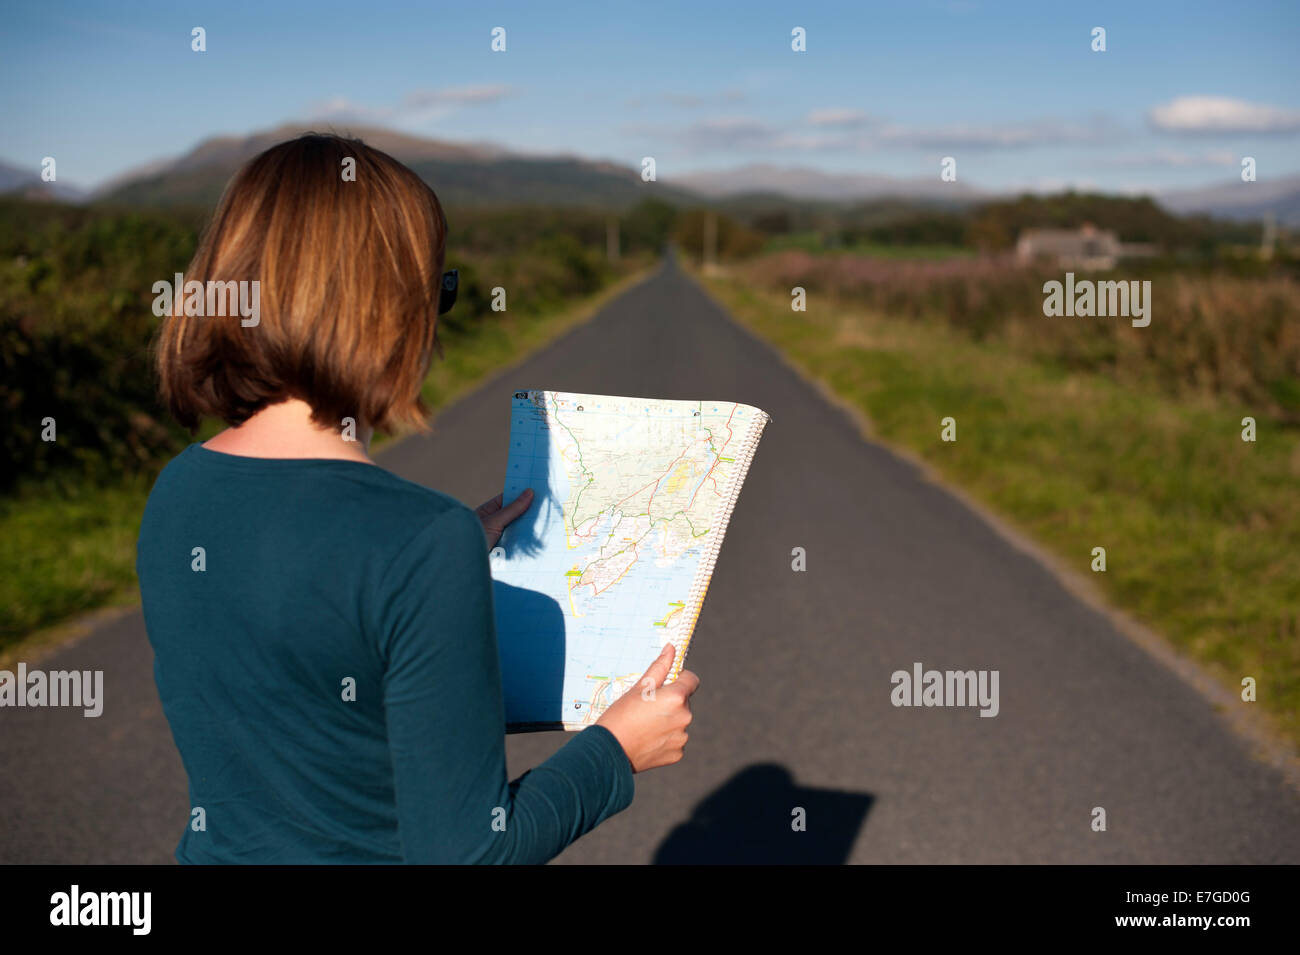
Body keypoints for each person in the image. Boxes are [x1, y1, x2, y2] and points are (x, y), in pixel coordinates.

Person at [136, 133, 699, 864]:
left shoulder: (177, 491)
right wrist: (617, 750)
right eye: (440, 289)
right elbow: (472, 854)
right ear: (392, 310)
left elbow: (305, 687)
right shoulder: (421, 544)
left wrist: (439, 555)